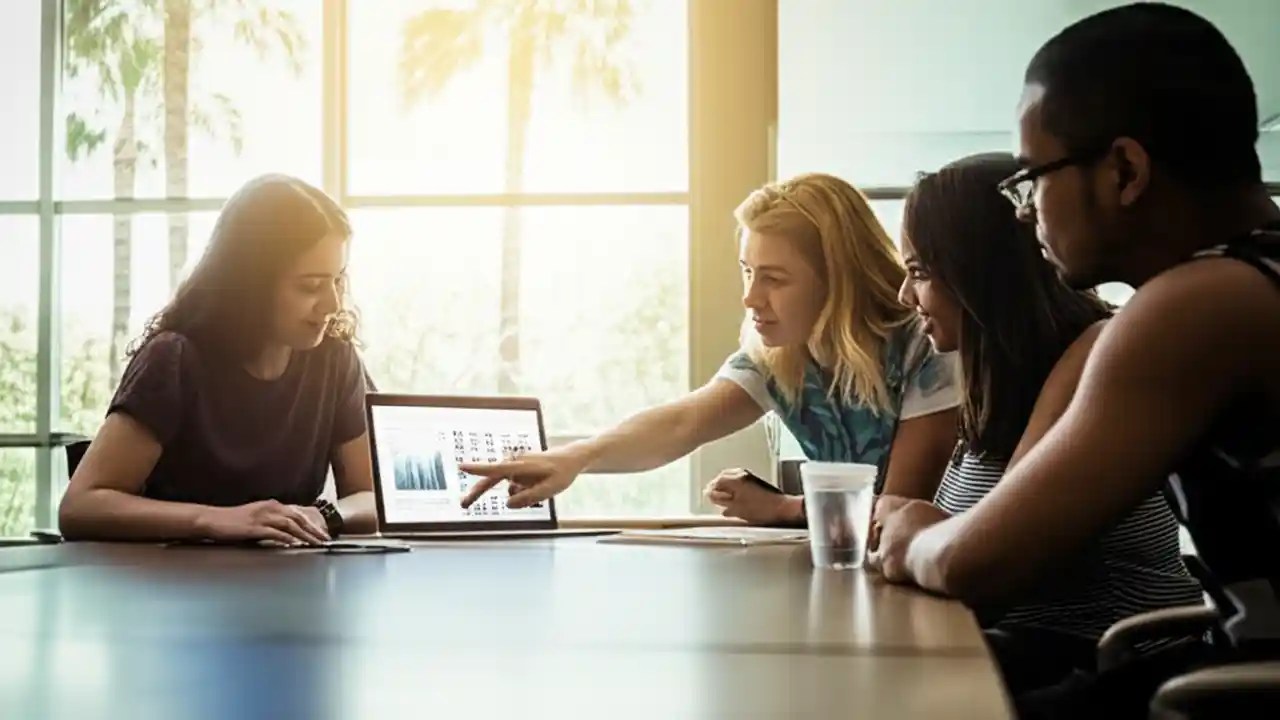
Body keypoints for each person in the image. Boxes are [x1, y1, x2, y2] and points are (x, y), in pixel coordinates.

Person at [869, 4, 1279, 716]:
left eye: (1033, 177)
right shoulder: (1250, 278)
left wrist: (910, 535)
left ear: (1125, 170)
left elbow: (979, 564)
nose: (1024, 211)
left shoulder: (1199, 306)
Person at [885, 151, 1202, 703]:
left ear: (979, 272)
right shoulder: (994, 383)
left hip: (1102, 663)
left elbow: (986, 569)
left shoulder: (1094, 353)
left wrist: (914, 528)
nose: (904, 297)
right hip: (1021, 650)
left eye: (919, 273)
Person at [459, 173, 961, 520]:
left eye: (774, 278)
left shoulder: (927, 348)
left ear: (838, 280)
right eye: (747, 271)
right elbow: (682, 423)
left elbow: (897, 509)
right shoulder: (778, 355)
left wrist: (782, 509)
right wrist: (575, 458)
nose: (751, 297)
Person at [58, 174, 377, 545]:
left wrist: (322, 515)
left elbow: (374, 497)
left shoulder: (334, 360)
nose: (332, 304)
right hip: (174, 575)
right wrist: (216, 520)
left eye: (337, 281)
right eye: (311, 286)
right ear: (253, 283)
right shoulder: (174, 359)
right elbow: (80, 506)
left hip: (291, 572)